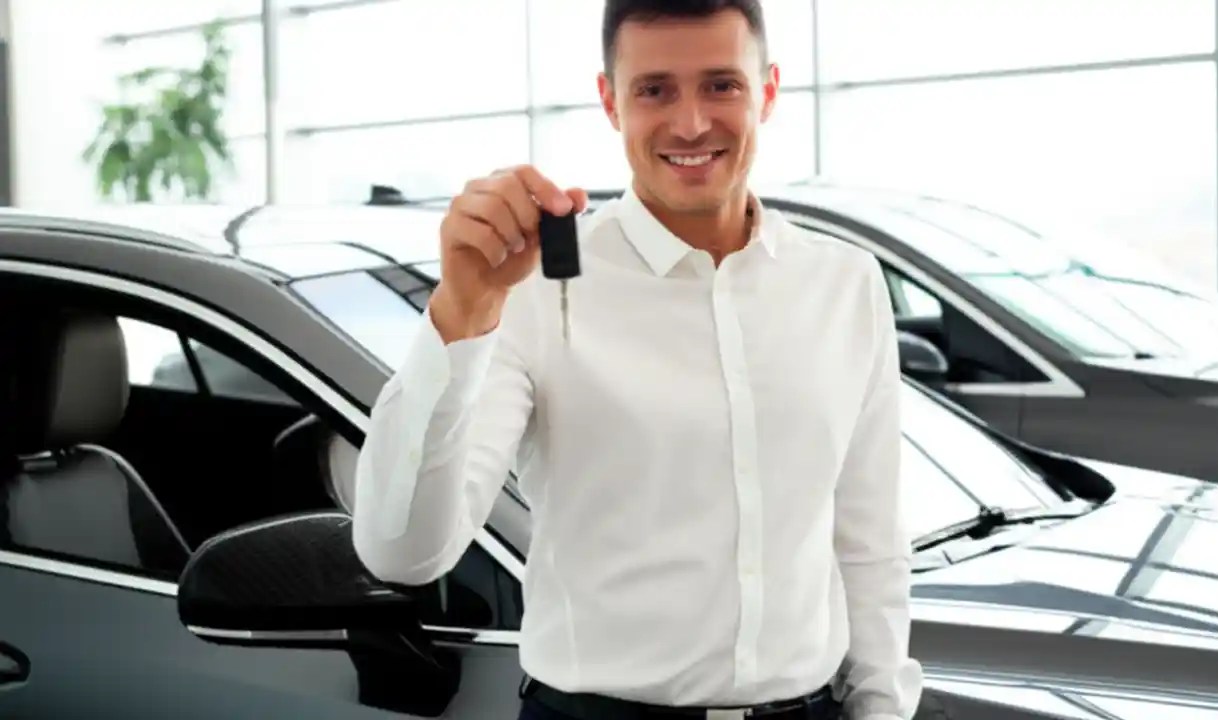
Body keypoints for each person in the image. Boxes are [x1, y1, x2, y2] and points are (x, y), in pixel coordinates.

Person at [351, 1, 924, 718]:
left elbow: (867, 544)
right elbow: (403, 553)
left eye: (722, 85)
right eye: (655, 89)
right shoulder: (529, 288)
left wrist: (881, 709)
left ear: (768, 92)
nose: (690, 124)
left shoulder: (845, 285)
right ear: (610, 101)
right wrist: (462, 312)